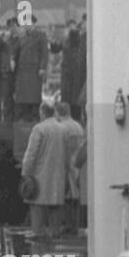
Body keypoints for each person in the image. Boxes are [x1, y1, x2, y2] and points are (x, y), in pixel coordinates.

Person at [22, 101, 68, 242]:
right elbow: (67, 151)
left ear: (42, 112)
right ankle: (55, 231)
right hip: (58, 171)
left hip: (40, 172)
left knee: (37, 202)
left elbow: (32, 152)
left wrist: (26, 171)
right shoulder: (63, 129)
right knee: (55, 202)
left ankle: (38, 231)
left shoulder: (39, 129)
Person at [55, 101, 85, 235]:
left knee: (64, 196)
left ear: (58, 112)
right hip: (78, 164)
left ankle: (66, 225)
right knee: (75, 196)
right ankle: (75, 225)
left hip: (65, 165)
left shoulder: (61, 127)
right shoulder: (78, 126)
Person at [13, 14, 48, 122]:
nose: (26, 26)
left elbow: (44, 53)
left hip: (34, 72)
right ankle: (25, 119)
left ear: (33, 23)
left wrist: (42, 67)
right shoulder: (22, 38)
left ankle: (35, 119)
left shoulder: (41, 36)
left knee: (34, 99)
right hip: (22, 72)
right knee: (23, 100)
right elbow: (16, 54)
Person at [59, 17, 86, 122]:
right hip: (67, 74)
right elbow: (55, 47)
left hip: (76, 74)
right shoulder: (65, 42)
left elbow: (75, 37)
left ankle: (76, 119)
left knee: (75, 101)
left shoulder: (78, 39)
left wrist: (73, 31)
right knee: (67, 99)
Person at [0, 17, 19, 122]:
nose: (12, 28)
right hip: (7, 73)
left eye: (14, 26)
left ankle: (16, 119)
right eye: (10, 26)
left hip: (18, 74)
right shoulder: (6, 41)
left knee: (17, 99)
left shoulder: (21, 40)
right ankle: (7, 120)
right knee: (7, 98)